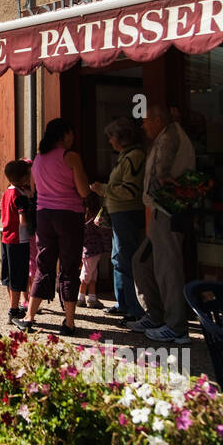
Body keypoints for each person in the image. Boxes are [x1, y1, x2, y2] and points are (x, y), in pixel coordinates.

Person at [129, 104, 196, 344]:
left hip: (166, 211)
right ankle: (156, 315)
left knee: (168, 269)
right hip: (162, 213)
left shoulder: (168, 137)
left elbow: (161, 173)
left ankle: (176, 327)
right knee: (142, 262)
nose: (143, 125)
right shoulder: (170, 134)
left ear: (158, 120)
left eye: (146, 120)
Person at [15, 118, 90, 335]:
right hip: (68, 216)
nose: (73, 137)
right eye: (71, 133)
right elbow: (84, 191)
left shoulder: (38, 159)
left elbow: (34, 188)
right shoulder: (71, 156)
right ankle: (68, 322)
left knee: (44, 264)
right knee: (69, 266)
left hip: (44, 215)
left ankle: (29, 317)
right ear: (63, 135)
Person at [90, 116, 146, 323]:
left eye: (111, 137)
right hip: (120, 214)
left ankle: (133, 307)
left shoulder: (134, 157)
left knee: (125, 258)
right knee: (118, 258)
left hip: (127, 213)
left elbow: (130, 190)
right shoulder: (126, 156)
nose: (109, 141)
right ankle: (123, 303)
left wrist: (103, 189)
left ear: (121, 138)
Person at [0, 160, 34, 322]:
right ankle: (13, 309)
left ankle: (12, 306)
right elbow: (23, 221)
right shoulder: (20, 196)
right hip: (19, 240)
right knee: (18, 276)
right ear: (24, 177)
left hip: (6, 238)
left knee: (8, 275)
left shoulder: (7, 192)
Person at [79, 193, 113, 309]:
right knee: (88, 274)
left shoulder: (81, 217)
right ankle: (80, 297)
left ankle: (92, 297)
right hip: (94, 250)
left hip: (87, 249)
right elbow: (103, 233)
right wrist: (108, 247)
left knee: (92, 273)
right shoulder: (95, 219)